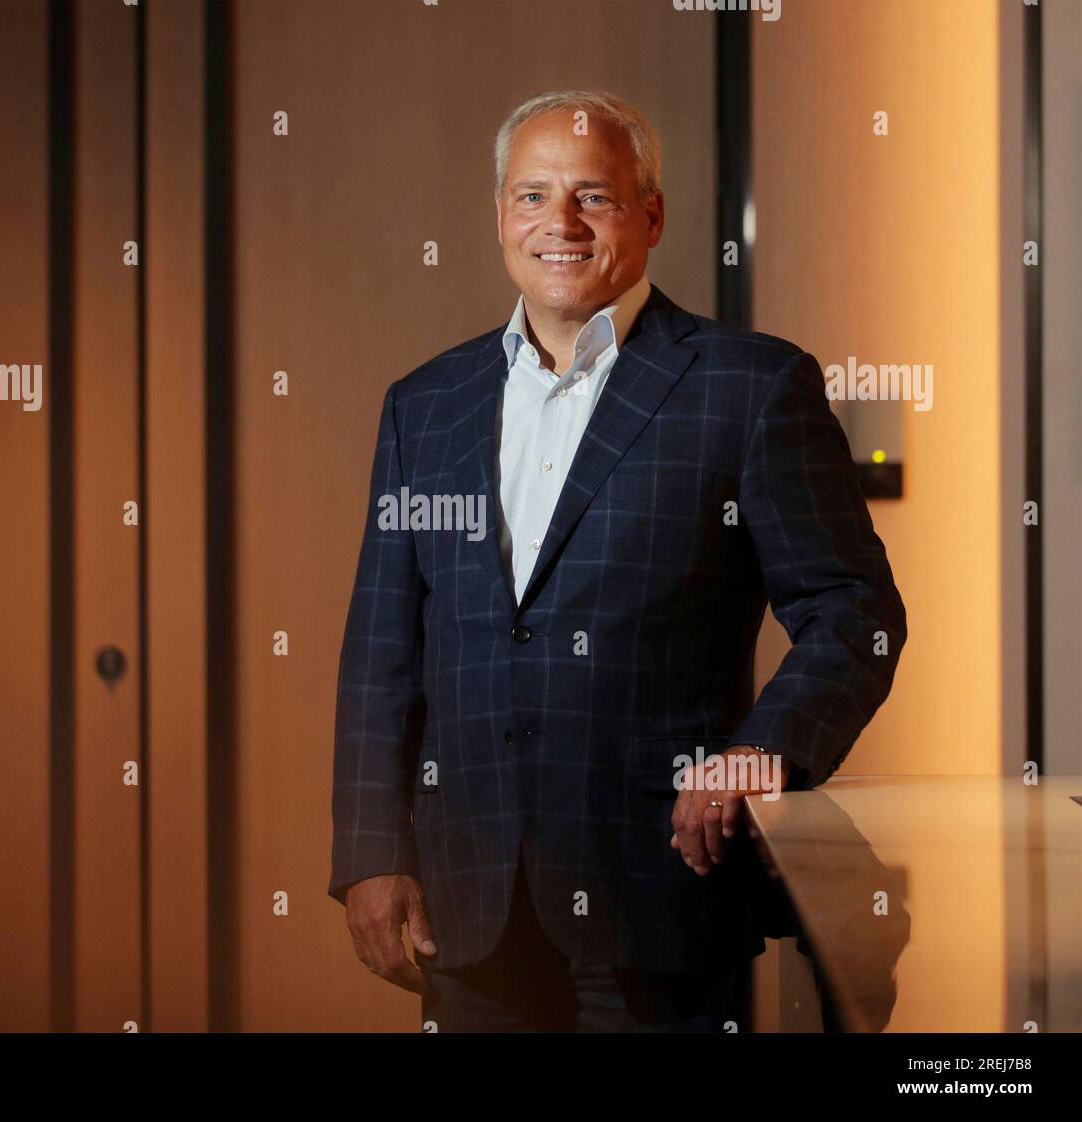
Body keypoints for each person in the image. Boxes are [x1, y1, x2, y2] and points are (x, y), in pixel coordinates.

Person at [329, 89, 906, 1032]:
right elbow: (382, 652)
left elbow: (856, 612)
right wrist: (368, 852)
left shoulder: (752, 387)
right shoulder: (423, 404)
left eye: (593, 196)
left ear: (651, 213)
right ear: (500, 216)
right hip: (467, 905)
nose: (559, 223)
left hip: (661, 894)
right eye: (531, 196)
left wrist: (762, 752)